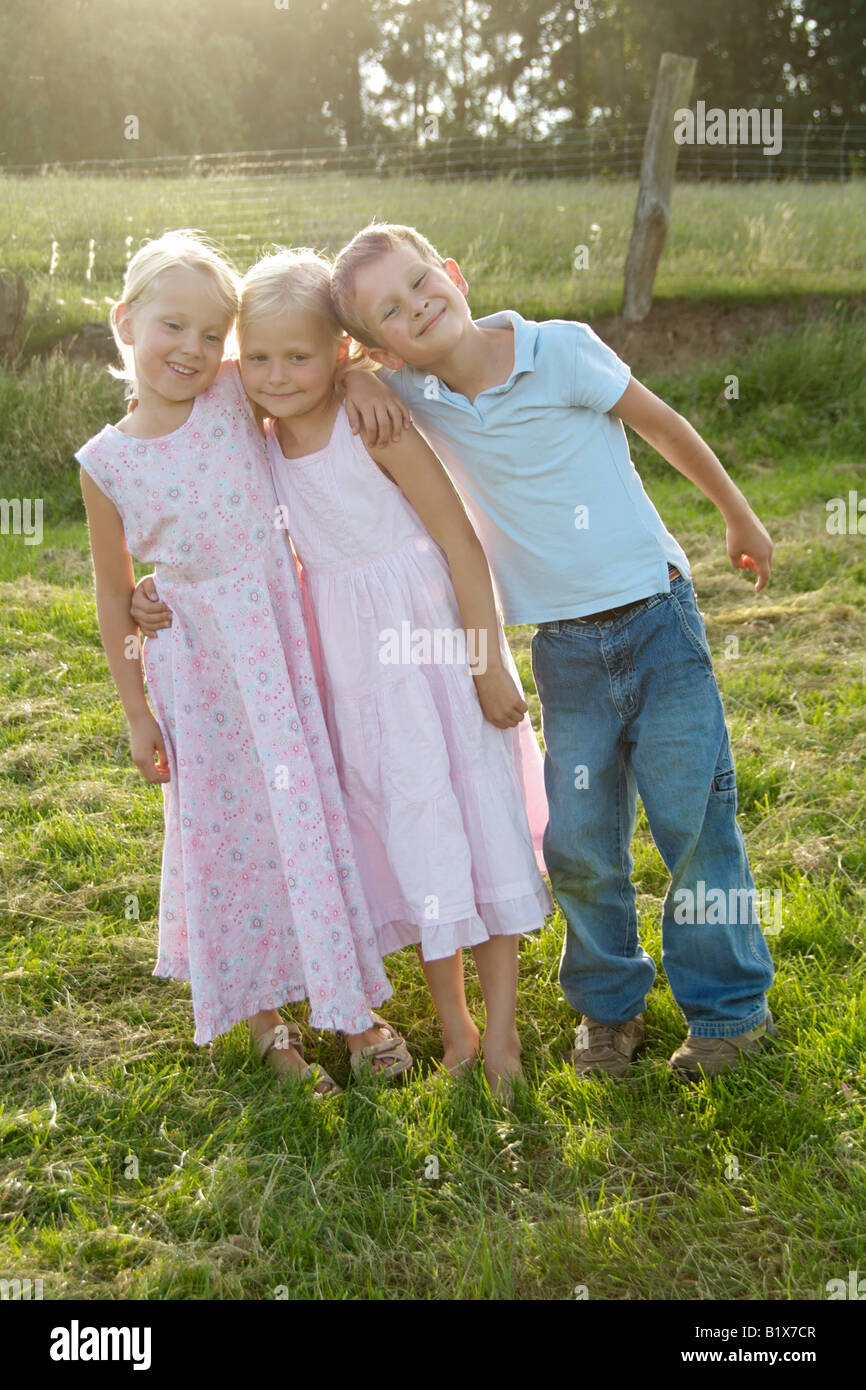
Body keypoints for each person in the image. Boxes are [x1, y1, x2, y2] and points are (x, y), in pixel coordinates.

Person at [323, 221, 778, 1081]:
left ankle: (728, 1014)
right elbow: (314, 370)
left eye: (421, 281)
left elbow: (663, 423)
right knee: (577, 841)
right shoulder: (414, 395)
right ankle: (609, 1013)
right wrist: (347, 373)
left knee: (694, 821)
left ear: (452, 272)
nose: (417, 305)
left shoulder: (559, 350)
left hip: (658, 621)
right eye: (390, 309)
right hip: (565, 651)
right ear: (379, 342)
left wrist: (736, 513)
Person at [132, 246, 553, 1099]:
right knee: (412, 831)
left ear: (342, 354)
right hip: (352, 664)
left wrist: (486, 663)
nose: (278, 374)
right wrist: (153, 587)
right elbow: (182, 475)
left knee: (478, 815)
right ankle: (458, 1033)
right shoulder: (253, 429)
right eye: (258, 357)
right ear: (235, 361)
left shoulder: (375, 420)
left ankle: (502, 1035)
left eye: (301, 356)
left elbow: (459, 542)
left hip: (434, 643)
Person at [76, 229, 412, 1096]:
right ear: (125, 322)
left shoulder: (233, 393)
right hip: (198, 667)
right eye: (171, 327)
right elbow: (116, 597)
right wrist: (137, 713)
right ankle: (266, 1020)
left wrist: (362, 373)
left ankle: (349, 1003)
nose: (190, 349)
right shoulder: (106, 462)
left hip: (278, 639)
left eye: (207, 332)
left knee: (307, 815)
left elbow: (306, 376)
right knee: (229, 835)